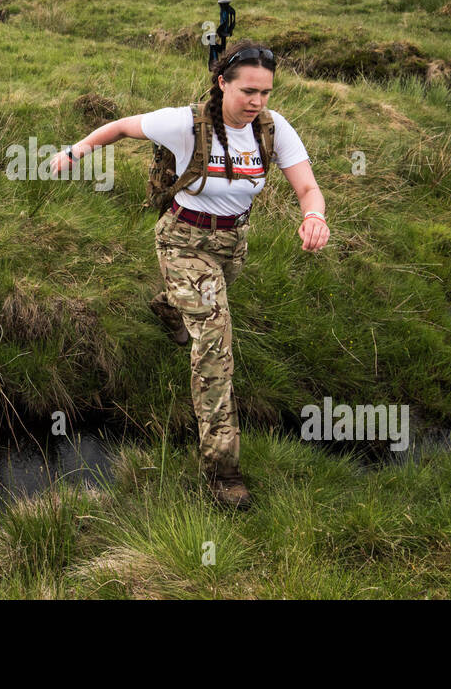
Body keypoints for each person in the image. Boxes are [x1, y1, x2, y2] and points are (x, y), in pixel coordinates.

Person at [50, 41, 329, 509]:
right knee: (215, 347)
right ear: (222, 84)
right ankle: (223, 472)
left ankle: (166, 307)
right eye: (247, 91)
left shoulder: (273, 129)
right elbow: (121, 127)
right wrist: (75, 152)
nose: (257, 102)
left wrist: (314, 217)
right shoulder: (185, 122)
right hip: (181, 239)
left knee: (203, 304)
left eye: (265, 92)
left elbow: (307, 186)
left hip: (231, 245)